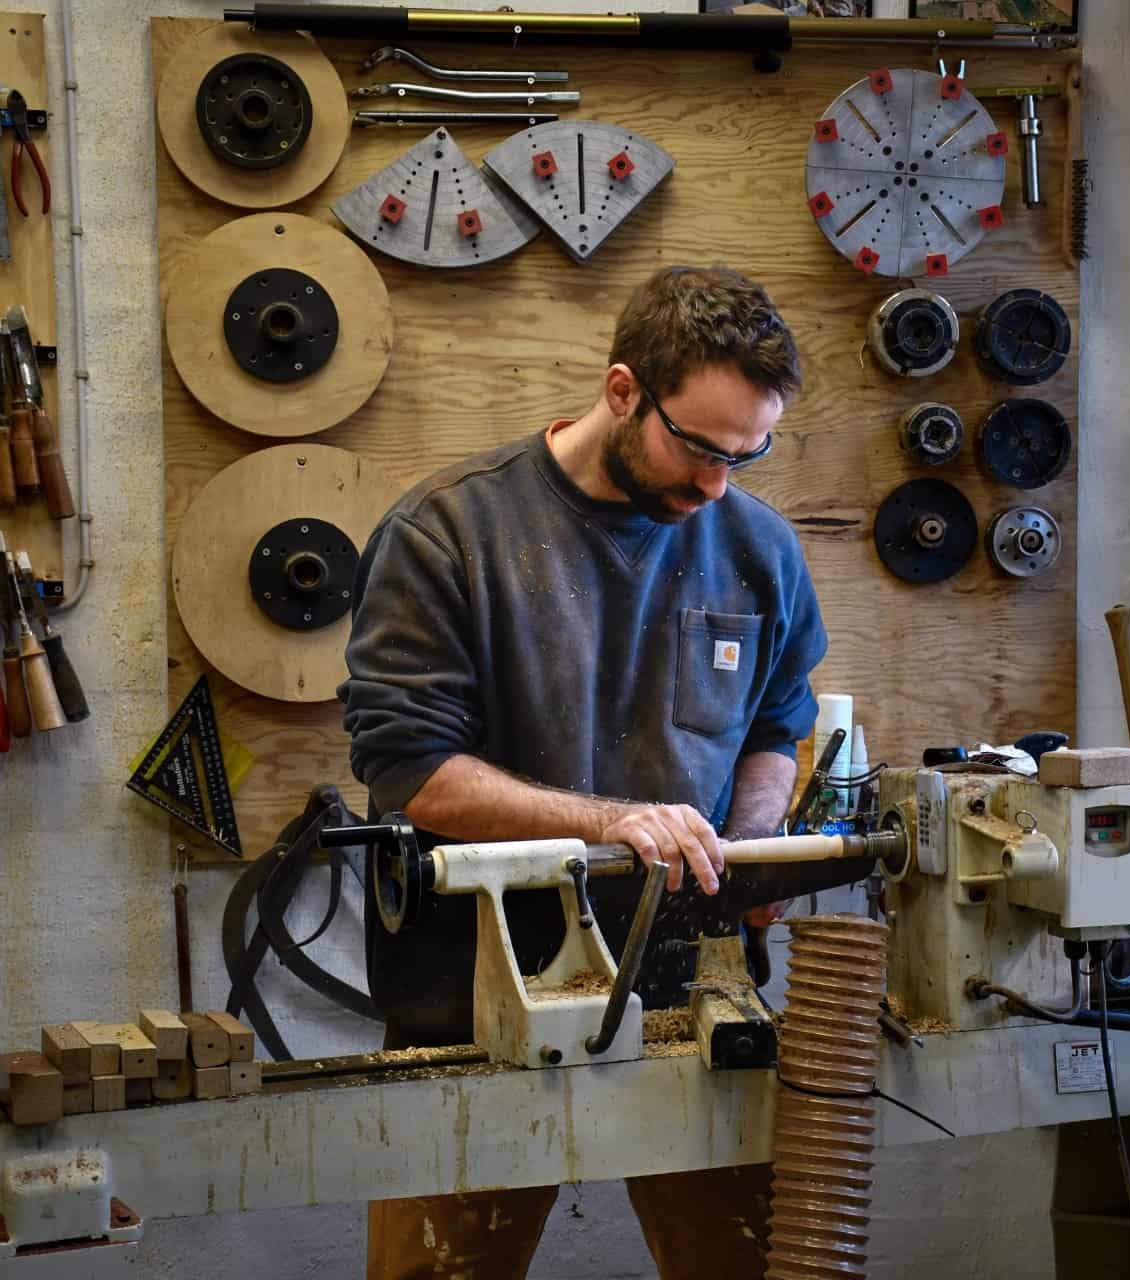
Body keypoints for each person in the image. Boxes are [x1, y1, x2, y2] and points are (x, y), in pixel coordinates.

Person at [338, 264, 827, 1279]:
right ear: (622, 390)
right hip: (478, 998)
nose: (717, 485)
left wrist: (755, 846)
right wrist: (611, 824)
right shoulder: (451, 532)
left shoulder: (758, 546)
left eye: (747, 452)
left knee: (747, 1264)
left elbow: (776, 723)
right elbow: (409, 770)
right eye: (699, 447)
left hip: (695, 991)